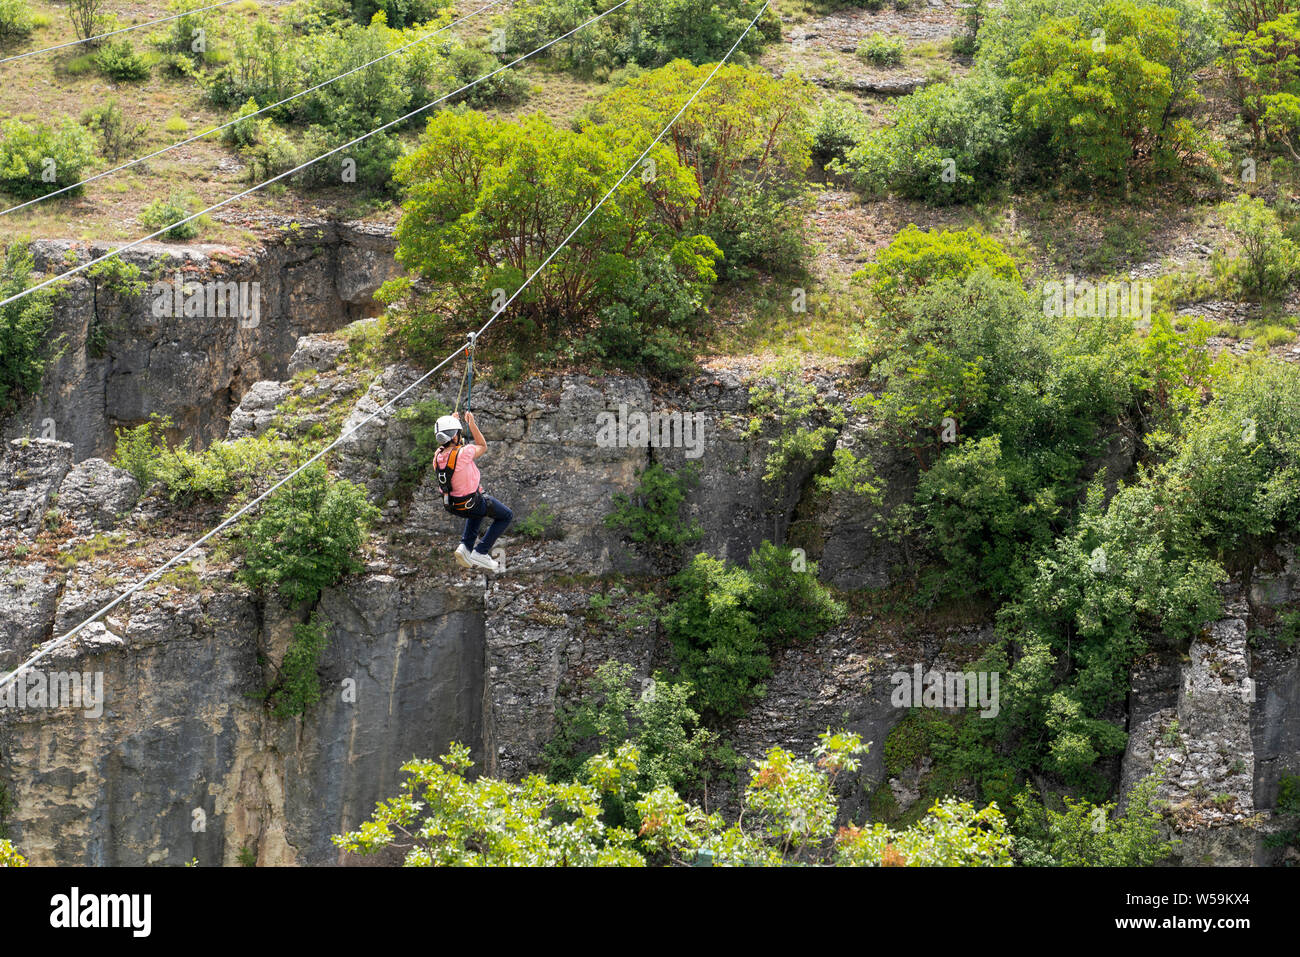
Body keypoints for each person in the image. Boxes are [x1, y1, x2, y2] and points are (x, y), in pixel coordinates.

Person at [433, 411, 512, 572]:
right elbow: (483, 446)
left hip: (453, 506)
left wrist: (453, 425)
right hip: (471, 503)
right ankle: (481, 552)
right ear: (455, 436)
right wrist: (472, 425)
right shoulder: (464, 453)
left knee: (476, 512)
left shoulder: (437, 457)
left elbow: (450, 450)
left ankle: (466, 546)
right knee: (506, 515)